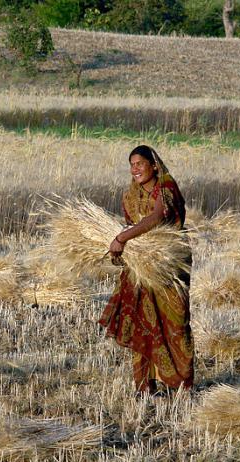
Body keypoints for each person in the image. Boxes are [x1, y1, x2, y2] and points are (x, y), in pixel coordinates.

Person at [98, 145, 193, 394]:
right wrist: (122, 251)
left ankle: (181, 386)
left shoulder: (166, 188)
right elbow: (132, 226)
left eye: (140, 163)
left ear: (154, 165)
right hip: (141, 268)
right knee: (143, 323)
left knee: (175, 322)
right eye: (131, 164)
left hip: (169, 266)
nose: (135, 169)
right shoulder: (130, 196)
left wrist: (122, 237)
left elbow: (158, 216)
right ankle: (144, 387)